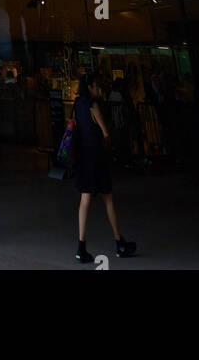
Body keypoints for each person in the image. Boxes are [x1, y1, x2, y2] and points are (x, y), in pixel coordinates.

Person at [74, 71, 136, 262]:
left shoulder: (77, 103)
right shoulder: (93, 105)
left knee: (85, 199)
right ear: (90, 87)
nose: (99, 89)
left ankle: (81, 246)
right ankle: (119, 242)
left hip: (83, 155)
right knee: (108, 198)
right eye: (96, 86)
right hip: (96, 155)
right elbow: (105, 132)